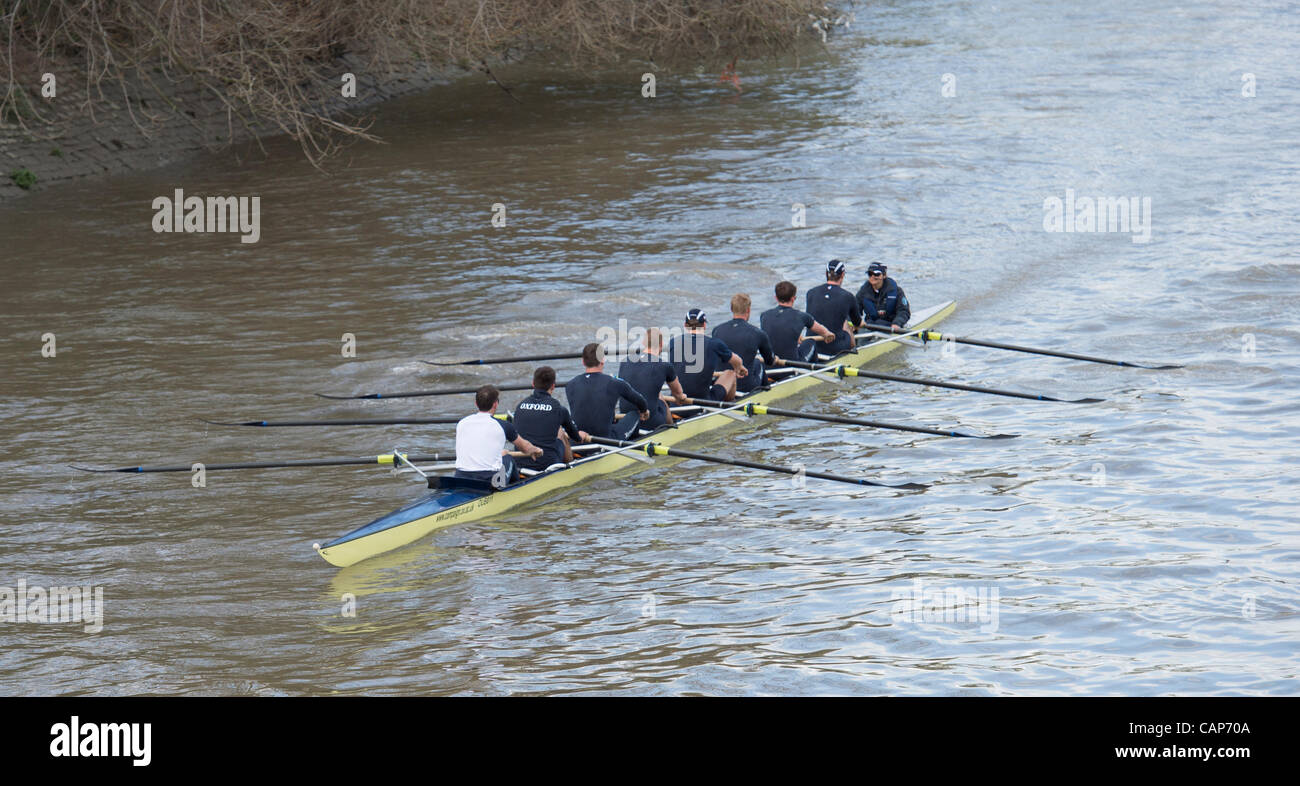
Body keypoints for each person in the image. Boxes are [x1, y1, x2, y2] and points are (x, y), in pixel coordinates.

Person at [453, 384, 542, 486]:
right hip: (488, 480)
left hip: (461, 476)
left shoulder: (462, 423)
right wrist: (536, 450)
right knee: (509, 459)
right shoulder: (503, 425)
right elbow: (525, 448)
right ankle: (517, 490)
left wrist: (500, 454)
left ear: (476, 404)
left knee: (504, 455)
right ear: (495, 404)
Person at [565, 342, 651, 440]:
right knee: (635, 414)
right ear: (603, 360)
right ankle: (633, 443)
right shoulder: (614, 383)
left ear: (583, 362)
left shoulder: (570, 385)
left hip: (579, 439)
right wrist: (644, 411)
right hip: (607, 440)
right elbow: (641, 402)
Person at [511, 366, 590, 472]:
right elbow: (576, 438)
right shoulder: (559, 409)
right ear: (553, 386)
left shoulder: (520, 406)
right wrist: (581, 436)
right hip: (547, 464)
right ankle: (571, 470)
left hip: (519, 461)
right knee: (560, 433)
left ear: (533, 384)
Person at [667, 308, 747, 401]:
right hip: (703, 402)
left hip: (675, 401)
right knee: (730, 374)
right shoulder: (714, 344)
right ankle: (728, 406)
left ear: (685, 325)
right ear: (704, 325)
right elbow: (737, 360)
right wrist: (739, 368)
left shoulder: (673, 342)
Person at [617, 328, 688, 431]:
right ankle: (672, 428)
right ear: (661, 344)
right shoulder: (665, 365)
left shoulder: (625, 361)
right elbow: (678, 394)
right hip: (649, 421)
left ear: (644, 343)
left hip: (625, 420)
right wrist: (682, 397)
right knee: (660, 398)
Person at [712, 293, 777, 393]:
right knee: (758, 363)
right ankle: (768, 392)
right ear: (748, 310)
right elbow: (769, 361)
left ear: (731, 309)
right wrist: (775, 359)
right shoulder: (758, 333)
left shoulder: (716, 331)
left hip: (722, 385)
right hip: (746, 387)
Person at [761, 281, 835, 362]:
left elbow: (778, 330)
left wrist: (796, 335)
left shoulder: (764, 315)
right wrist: (829, 334)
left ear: (776, 298)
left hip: (769, 365)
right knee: (811, 342)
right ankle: (813, 370)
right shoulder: (802, 316)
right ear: (793, 298)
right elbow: (824, 332)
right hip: (792, 365)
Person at [804, 259, 862, 355]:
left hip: (812, 345)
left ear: (826, 274)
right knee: (846, 324)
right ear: (843, 274)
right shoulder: (848, 296)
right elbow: (857, 323)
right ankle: (853, 351)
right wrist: (861, 323)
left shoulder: (810, 292)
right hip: (835, 347)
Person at [855, 262, 910, 332]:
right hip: (870, 326)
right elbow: (853, 310)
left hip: (890, 327)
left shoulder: (896, 291)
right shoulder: (863, 292)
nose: (872, 277)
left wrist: (897, 323)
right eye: (870, 274)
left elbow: (904, 311)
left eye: (876, 274)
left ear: (884, 276)